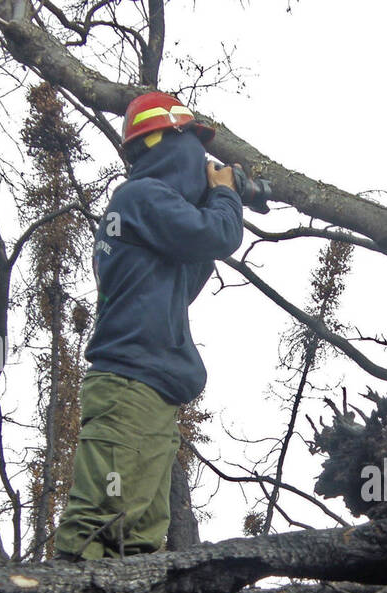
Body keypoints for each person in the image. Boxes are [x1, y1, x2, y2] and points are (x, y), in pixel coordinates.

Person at [52, 92, 244, 561]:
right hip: (127, 385)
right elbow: (217, 234)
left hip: (149, 390)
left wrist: (217, 197)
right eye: (196, 150)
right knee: (100, 520)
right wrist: (223, 195)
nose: (203, 162)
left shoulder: (149, 219)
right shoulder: (137, 197)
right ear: (171, 146)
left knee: (137, 532)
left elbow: (199, 254)